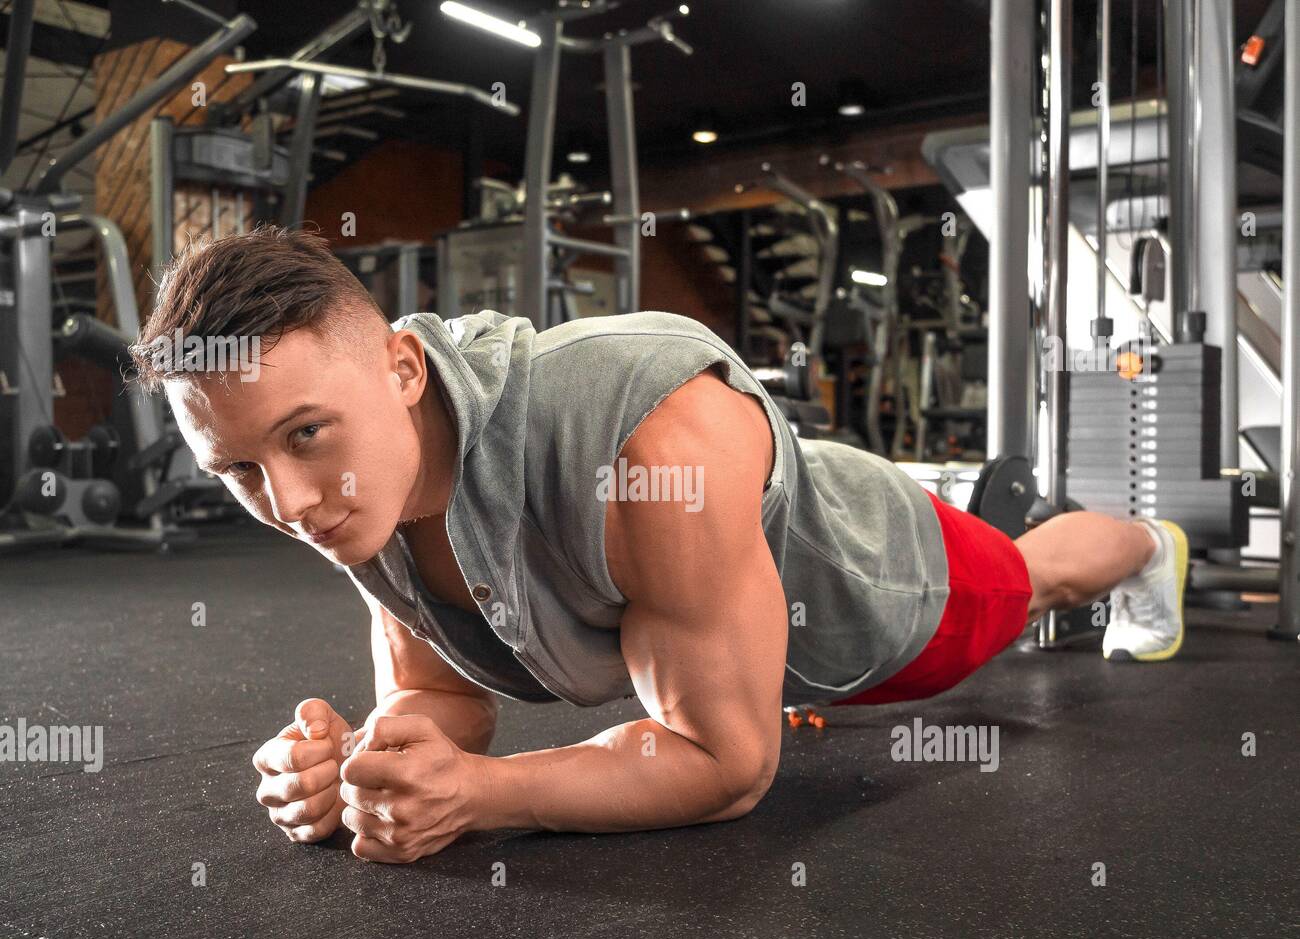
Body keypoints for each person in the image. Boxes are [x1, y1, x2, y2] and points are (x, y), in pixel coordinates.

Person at [130, 227, 1188, 864]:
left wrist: (485, 796)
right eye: (241, 471)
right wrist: (376, 763)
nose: (296, 500)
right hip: (737, 620)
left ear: (404, 370)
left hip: (880, 588)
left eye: (307, 435)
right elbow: (441, 688)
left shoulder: (648, 430)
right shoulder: (363, 486)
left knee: (1036, 575)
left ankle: (1148, 543)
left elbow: (725, 767)